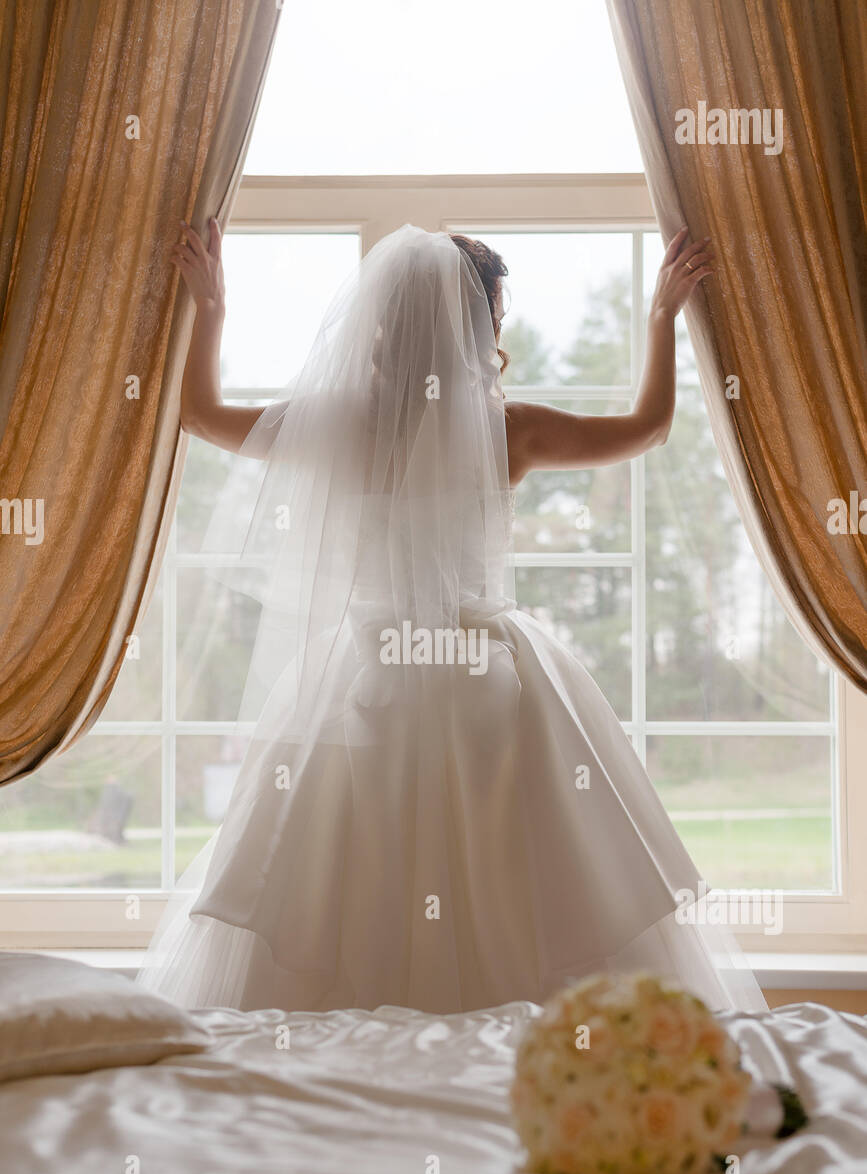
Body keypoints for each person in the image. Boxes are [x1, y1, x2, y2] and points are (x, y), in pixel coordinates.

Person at [139, 220, 764, 1015]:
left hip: (368, 677)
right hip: (486, 679)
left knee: (349, 865)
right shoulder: (511, 430)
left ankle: (361, 1041)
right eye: (494, 315)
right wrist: (659, 320)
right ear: (479, 327)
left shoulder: (336, 423)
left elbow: (198, 414)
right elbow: (648, 429)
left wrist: (211, 307)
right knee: (517, 867)